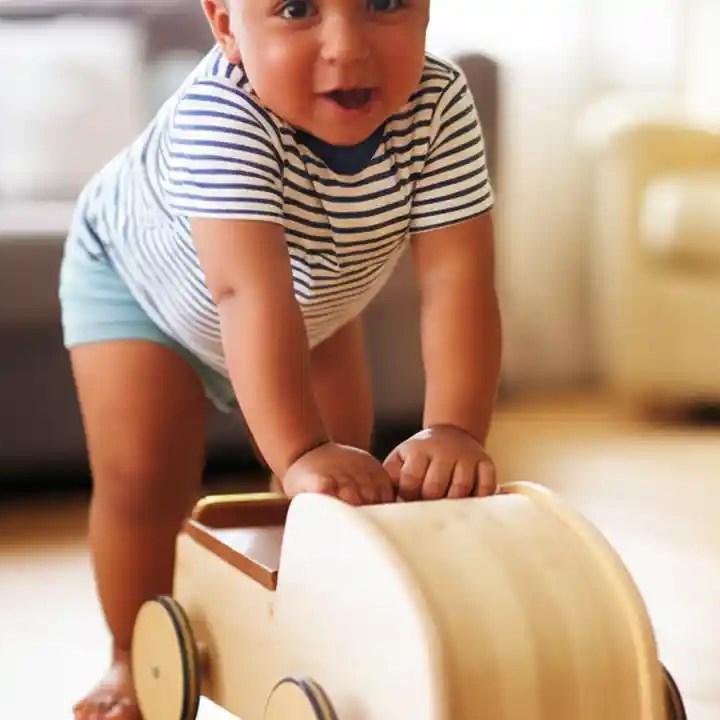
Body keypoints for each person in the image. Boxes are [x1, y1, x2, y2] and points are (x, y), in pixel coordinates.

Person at [59, 0, 502, 717]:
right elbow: (245, 295)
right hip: (138, 288)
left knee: (342, 487)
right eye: (297, 9)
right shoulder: (222, 116)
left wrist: (454, 428)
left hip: (312, 305)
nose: (346, 47)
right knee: (145, 479)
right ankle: (128, 654)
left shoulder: (440, 104)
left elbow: (459, 279)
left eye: (383, 3)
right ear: (228, 25)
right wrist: (299, 449)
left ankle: (308, 628)